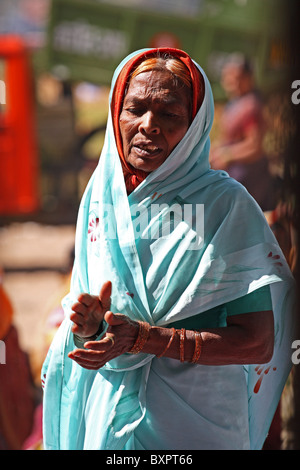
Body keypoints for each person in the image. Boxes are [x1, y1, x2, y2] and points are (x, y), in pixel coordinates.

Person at [42, 48, 295, 450]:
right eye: (134, 109)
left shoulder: (225, 206)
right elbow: (113, 321)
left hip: (196, 426)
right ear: (115, 113)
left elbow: (257, 341)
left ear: (195, 126)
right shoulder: (101, 199)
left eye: (169, 114)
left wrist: (147, 339)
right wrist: (94, 326)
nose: (148, 126)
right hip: (108, 424)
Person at [210, 54, 278, 212]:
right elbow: (229, 139)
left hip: (247, 178)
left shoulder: (251, 106)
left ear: (249, 79)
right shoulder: (235, 103)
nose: (231, 82)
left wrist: (227, 155)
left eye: (237, 77)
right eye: (228, 77)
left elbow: (254, 146)